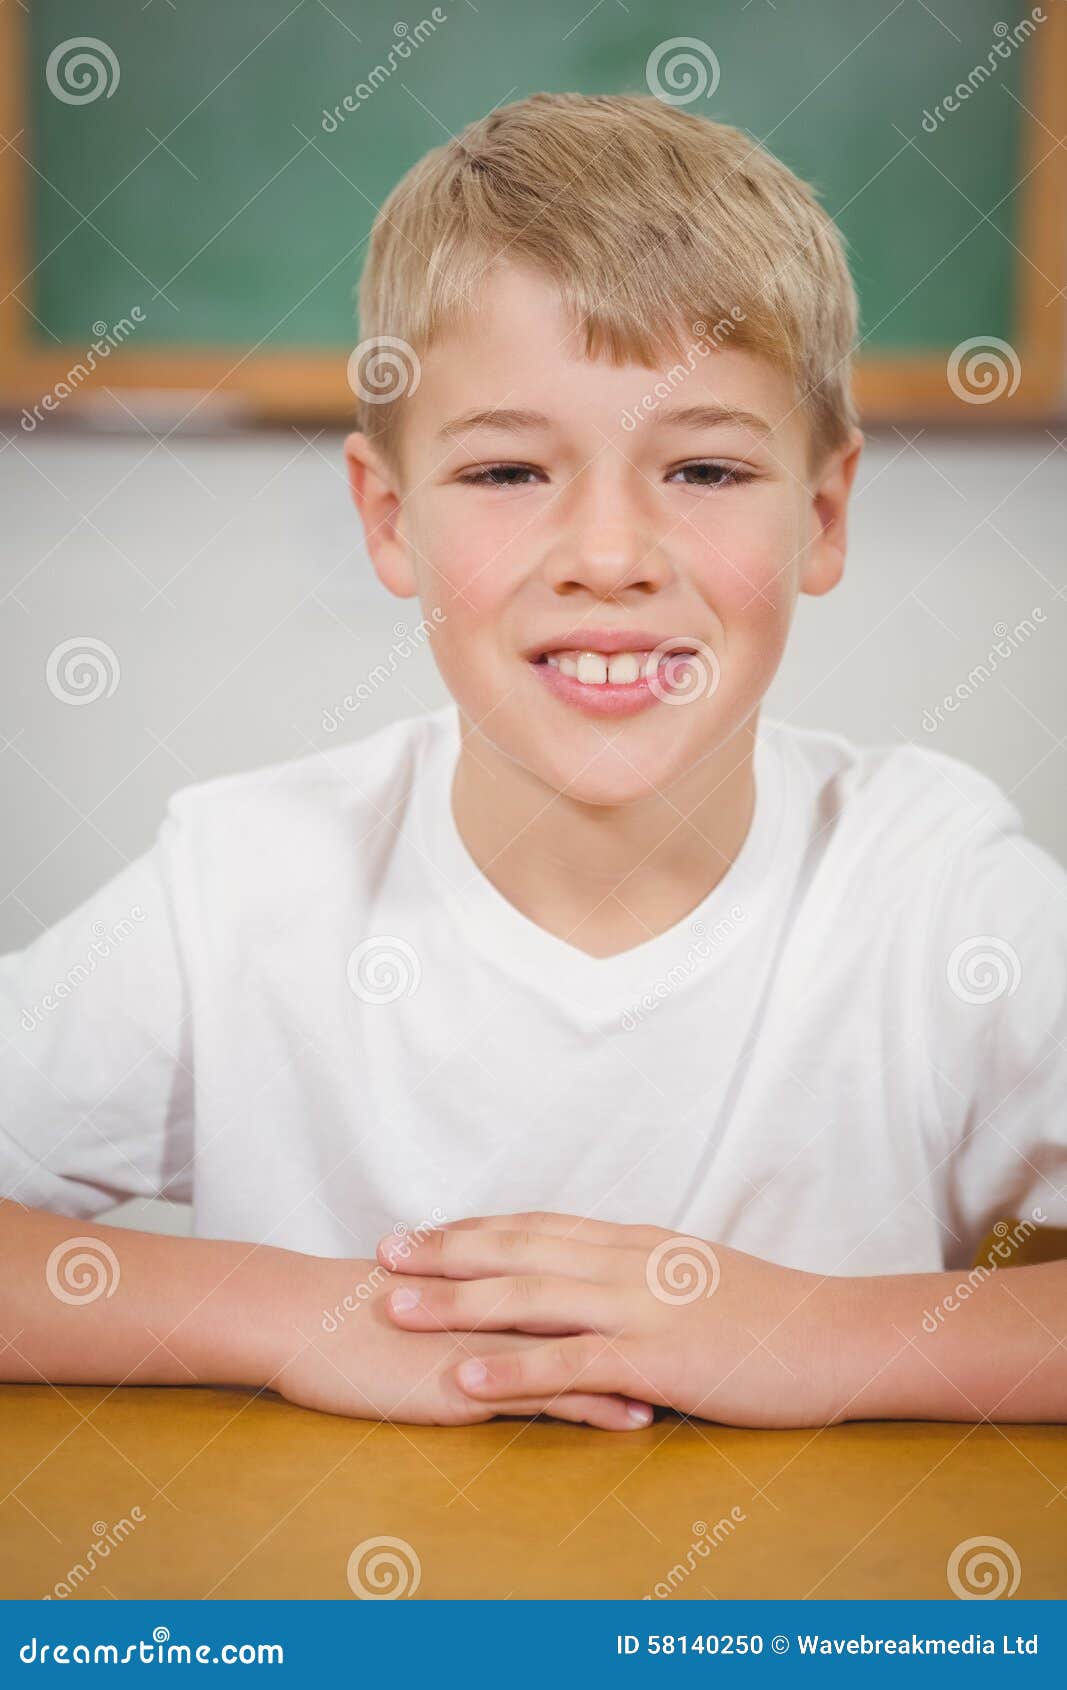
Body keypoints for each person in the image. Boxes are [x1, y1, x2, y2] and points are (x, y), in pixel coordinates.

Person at [2, 93, 1064, 1431]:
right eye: (509, 471)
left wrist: (832, 1335)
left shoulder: (935, 885)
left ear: (825, 513)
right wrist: (291, 1314)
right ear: (390, 521)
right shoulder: (237, 884)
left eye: (708, 469)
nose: (610, 551)